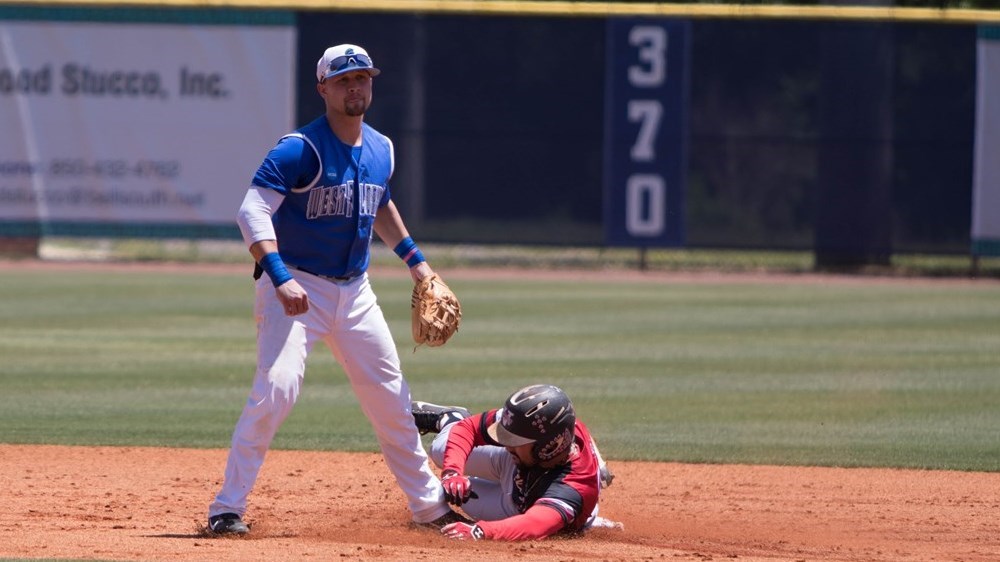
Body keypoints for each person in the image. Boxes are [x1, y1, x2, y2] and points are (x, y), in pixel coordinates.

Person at [207, 43, 466, 535]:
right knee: (276, 390)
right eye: (343, 80)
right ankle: (226, 508)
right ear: (322, 88)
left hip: (356, 293)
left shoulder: (382, 148)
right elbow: (251, 211)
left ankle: (428, 508)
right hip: (297, 284)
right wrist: (279, 276)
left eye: (362, 78)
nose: (354, 87)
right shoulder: (299, 148)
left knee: (391, 399)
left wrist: (419, 265)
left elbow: (379, 205)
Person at [410, 384, 619, 541]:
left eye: (515, 441)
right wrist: (453, 472)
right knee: (441, 450)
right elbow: (468, 428)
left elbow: (534, 524)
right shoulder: (539, 425)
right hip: (515, 467)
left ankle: (586, 521)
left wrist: (480, 531)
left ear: (547, 448)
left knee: (442, 495)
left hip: (520, 507)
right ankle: (451, 417)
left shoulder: (574, 487)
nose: (506, 444)